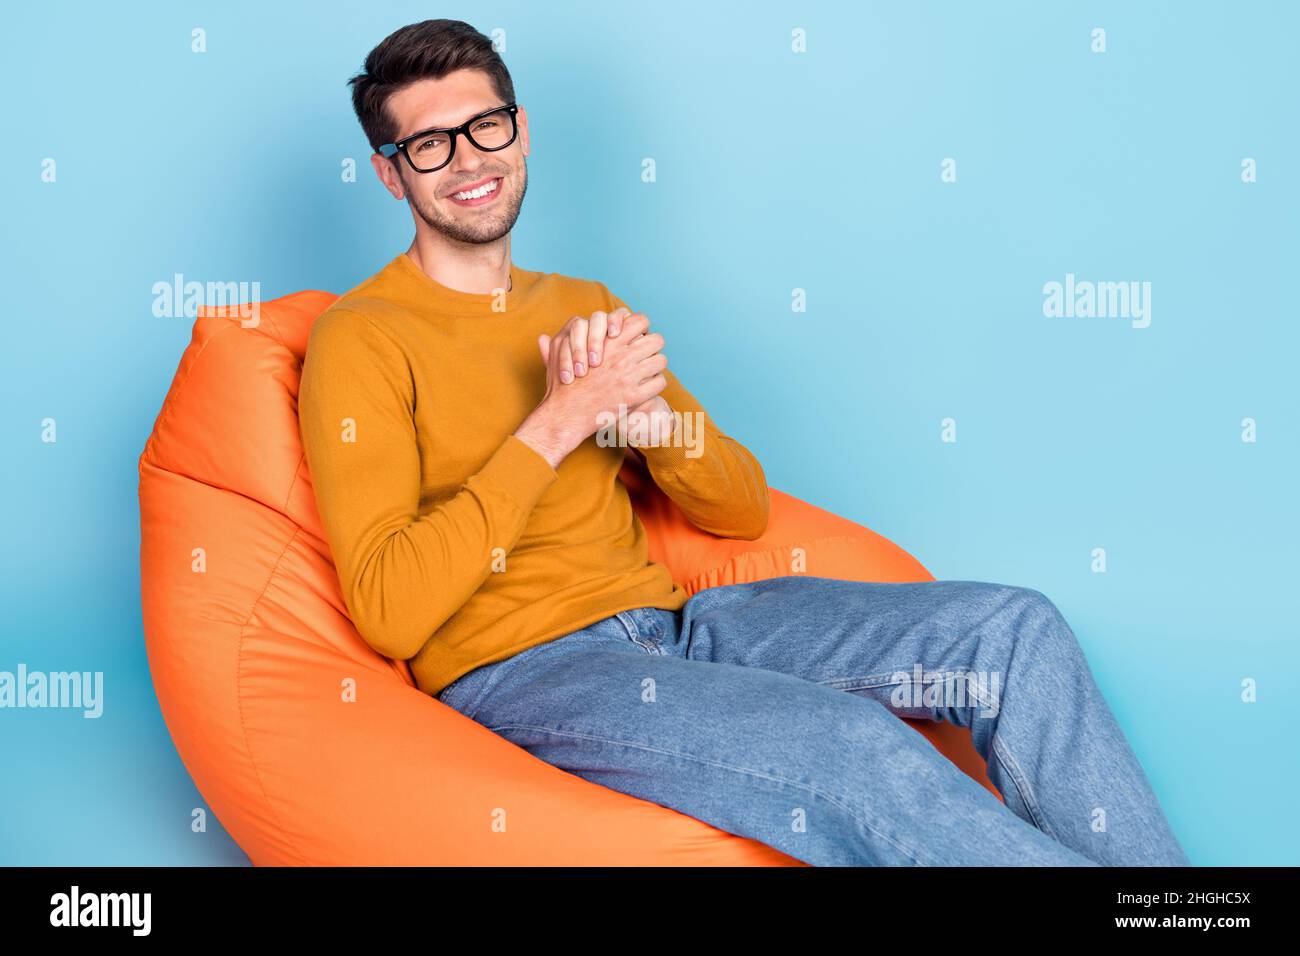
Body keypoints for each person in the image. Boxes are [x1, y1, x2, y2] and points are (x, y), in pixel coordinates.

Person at [297, 18, 1190, 867]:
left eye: (484, 126)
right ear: (391, 175)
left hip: (685, 632)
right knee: (847, 745)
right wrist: (559, 422)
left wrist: (655, 432)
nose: (468, 160)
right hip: (533, 672)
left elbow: (740, 507)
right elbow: (389, 609)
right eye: (429, 144)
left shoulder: (582, 306)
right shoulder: (362, 337)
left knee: (1012, 629)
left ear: (521, 131)